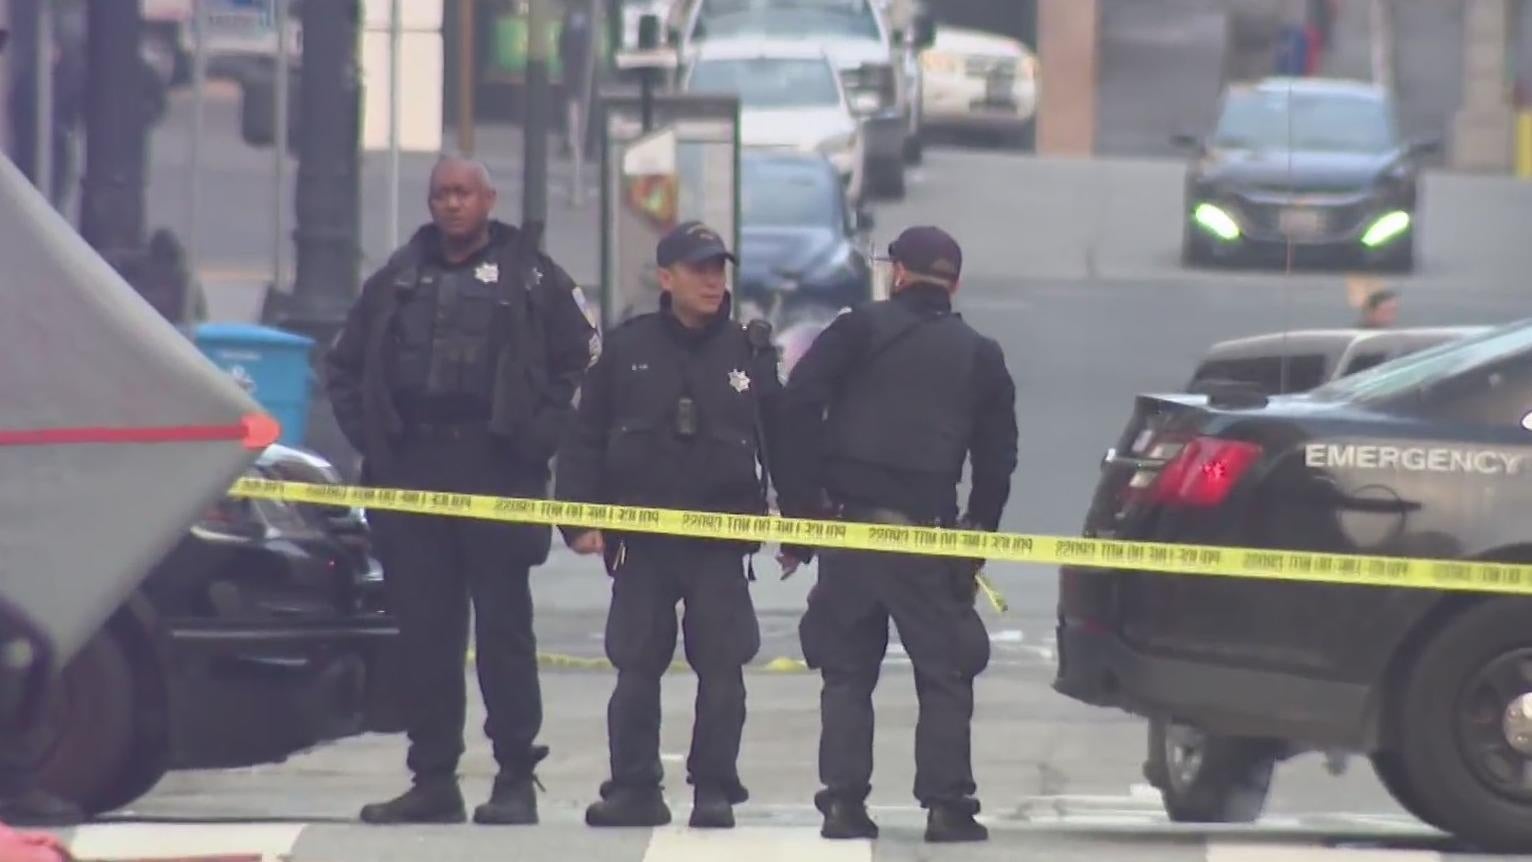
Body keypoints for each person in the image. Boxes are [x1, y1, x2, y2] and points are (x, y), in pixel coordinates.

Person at [325, 155, 598, 826]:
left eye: (463, 193)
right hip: (413, 473)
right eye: (441, 194)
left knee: (505, 630)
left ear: (488, 199)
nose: (451, 205)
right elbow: (344, 367)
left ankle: (513, 777)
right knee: (426, 633)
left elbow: (580, 359)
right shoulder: (396, 278)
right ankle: (433, 778)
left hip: (498, 467)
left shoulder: (530, 274)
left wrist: (539, 435)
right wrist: (378, 443)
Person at [776, 225, 1018, 843]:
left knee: (847, 672)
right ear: (954, 283)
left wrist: (804, 503)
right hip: (927, 538)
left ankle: (842, 804)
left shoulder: (856, 329)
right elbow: (997, 460)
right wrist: (976, 538)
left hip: (851, 531)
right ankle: (946, 806)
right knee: (943, 673)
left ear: (897, 273)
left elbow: (797, 403)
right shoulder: (980, 354)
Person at [554, 220, 788, 830]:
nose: (713, 280)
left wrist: (802, 527)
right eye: (699, 269)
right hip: (643, 541)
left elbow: (785, 441)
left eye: (719, 269)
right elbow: (583, 436)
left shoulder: (749, 352)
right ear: (667, 277)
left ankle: (714, 787)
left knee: (723, 667)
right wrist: (576, 518)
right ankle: (633, 787)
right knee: (635, 666)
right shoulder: (627, 349)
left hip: (720, 539)